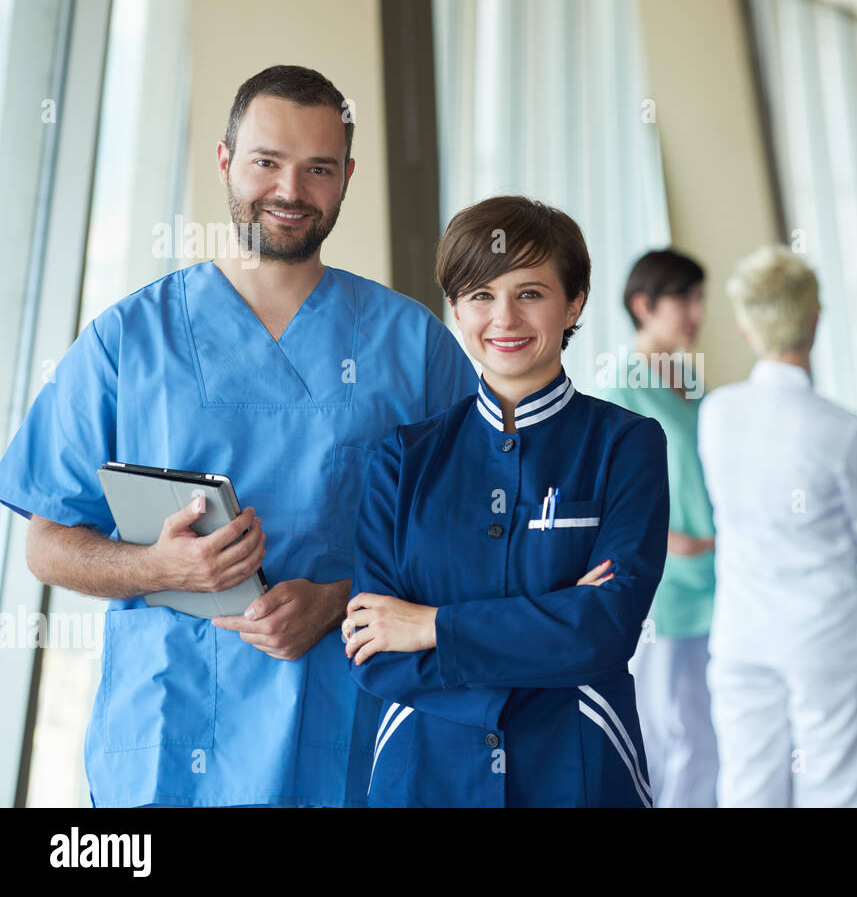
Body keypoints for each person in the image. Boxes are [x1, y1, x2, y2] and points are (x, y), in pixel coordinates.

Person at [0, 65, 477, 807]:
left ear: (346, 178)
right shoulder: (128, 341)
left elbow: (472, 539)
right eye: (266, 162)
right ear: (225, 162)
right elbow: (46, 542)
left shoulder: (412, 347)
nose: (290, 190)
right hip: (169, 738)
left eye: (318, 168)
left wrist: (340, 597)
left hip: (354, 734)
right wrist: (157, 566)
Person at [342, 195, 669, 807]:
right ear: (457, 309)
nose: (505, 319)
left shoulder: (626, 445)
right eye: (481, 296)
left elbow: (607, 629)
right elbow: (373, 650)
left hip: (576, 765)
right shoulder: (403, 459)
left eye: (530, 293)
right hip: (424, 774)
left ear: (573, 303)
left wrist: (430, 624)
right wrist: (553, 626)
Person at [697, 245, 857, 807]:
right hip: (823, 634)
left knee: (746, 784)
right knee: (833, 786)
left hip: (741, 630)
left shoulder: (716, 413)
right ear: (815, 319)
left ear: (744, 326)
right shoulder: (845, 428)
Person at [605, 249, 719, 808]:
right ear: (643, 305)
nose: (696, 311)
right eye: (684, 298)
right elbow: (609, 495)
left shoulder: (688, 378)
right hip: (664, 583)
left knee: (702, 727)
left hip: (712, 574)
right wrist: (670, 541)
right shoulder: (621, 385)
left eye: (700, 298)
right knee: (662, 725)